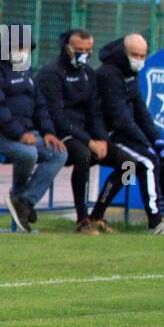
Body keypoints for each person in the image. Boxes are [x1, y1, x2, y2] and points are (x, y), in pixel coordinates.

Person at [0, 39, 68, 232]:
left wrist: (48, 132)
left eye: (25, 48)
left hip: (24, 133)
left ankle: (23, 201)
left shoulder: (25, 70)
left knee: (59, 153)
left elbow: (39, 105)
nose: (22, 52)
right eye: (17, 48)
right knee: (28, 153)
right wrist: (19, 133)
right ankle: (19, 196)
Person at [34, 29, 129, 234]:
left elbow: (94, 112)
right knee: (83, 156)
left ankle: (98, 215)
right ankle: (82, 219)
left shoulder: (88, 74)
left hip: (86, 134)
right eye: (78, 50)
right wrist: (89, 141)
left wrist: (102, 139)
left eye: (88, 50)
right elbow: (57, 116)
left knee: (129, 165)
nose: (83, 54)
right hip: (60, 134)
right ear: (66, 48)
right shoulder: (51, 73)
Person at [95, 34, 164, 234]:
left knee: (161, 161)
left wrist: (157, 140)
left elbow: (141, 111)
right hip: (108, 134)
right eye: (135, 55)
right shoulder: (108, 74)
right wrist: (146, 144)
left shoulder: (131, 72)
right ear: (124, 53)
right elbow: (119, 118)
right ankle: (155, 223)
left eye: (143, 55)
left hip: (125, 133)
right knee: (148, 162)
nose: (139, 60)